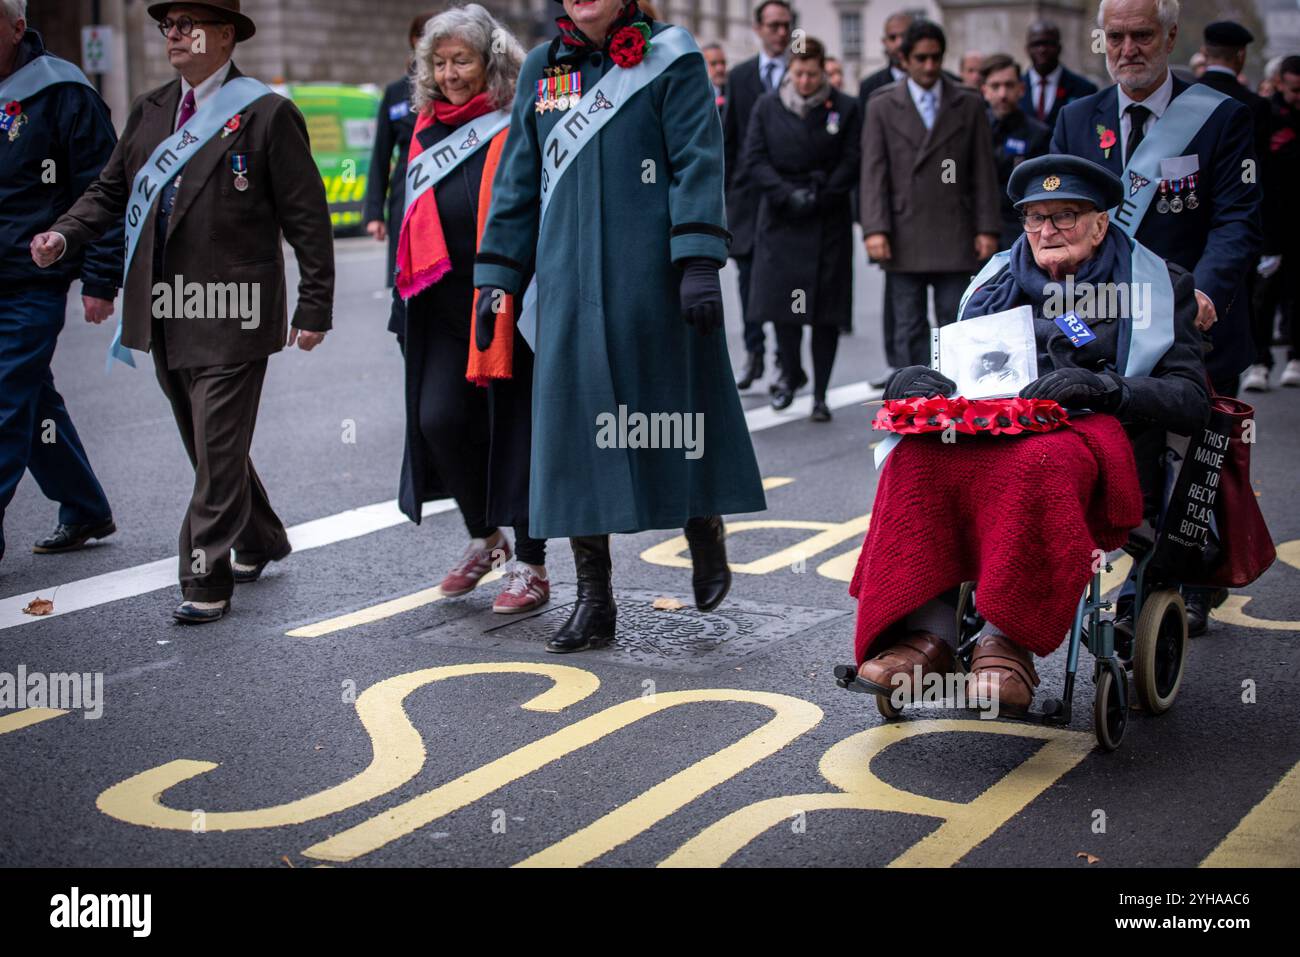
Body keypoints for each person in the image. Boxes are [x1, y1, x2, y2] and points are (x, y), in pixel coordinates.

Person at [850, 156, 1208, 714]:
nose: (1047, 231)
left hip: (1096, 433)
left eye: (1065, 216)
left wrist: (1107, 388)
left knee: (1035, 462)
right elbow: (957, 367)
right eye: (1035, 217)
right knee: (917, 455)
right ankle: (928, 634)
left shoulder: (1157, 284)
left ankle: (1004, 641)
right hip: (989, 428)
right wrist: (911, 382)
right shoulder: (993, 280)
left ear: (1100, 222)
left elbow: (1191, 401)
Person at [472, 0, 767, 653]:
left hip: (651, 280)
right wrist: (497, 278)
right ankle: (595, 601)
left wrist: (696, 259)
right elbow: (518, 178)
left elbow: (696, 157)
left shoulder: (672, 55)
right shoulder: (543, 69)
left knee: (666, 420)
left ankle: (701, 522)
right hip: (566, 284)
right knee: (575, 441)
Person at [32, 0, 334, 624]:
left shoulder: (268, 114)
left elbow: (308, 218)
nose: (173, 35)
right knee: (208, 447)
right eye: (167, 26)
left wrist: (315, 305)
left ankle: (204, 578)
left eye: (187, 24)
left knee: (217, 448)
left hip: (238, 311)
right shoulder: (150, 109)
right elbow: (110, 191)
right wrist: (65, 234)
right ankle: (260, 537)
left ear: (225, 35)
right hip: (166, 307)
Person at [1050, 0, 1262, 635]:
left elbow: (1236, 224)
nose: (1127, 49)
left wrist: (1203, 293)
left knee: (1197, 456)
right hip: (1102, 320)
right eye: (1115, 37)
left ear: (1170, 36)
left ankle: (1186, 579)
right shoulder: (1076, 119)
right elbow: (1051, 218)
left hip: (1191, 322)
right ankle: (1123, 564)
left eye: (1142, 35)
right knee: (1115, 445)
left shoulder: (1221, 117)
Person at [390, 4, 549, 613]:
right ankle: (488, 540)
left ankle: (531, 566)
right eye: (441, 62)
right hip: (441, 308)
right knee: (439, 422)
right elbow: (407, 217)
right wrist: (399, 303)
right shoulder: (424, 127)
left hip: (507, 303)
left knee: (516, 434)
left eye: (463, 60)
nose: (451, 73)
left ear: (490, 64)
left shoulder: (513, 124)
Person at [0, 0, 119, 571]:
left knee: (3, 402)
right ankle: (84, 506)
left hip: (32, 279)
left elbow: (102, 190)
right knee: (30, 397)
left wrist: (100, 276)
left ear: (17, 27)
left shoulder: (64, 91)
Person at [861, 19, 1001, 368]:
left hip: (956, 230)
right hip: (903, 229)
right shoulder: (881, 105)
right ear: (904, 59)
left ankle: (956, 394)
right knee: (908, 324)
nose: (929, 66)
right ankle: (915, 399)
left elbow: (983, 170)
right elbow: (873, 171)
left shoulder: (967, 103)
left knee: (954, 319)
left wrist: (987, 228)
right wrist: (875, 229)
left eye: (936, 58)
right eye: (921, 58)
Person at [740, 36, 861, 420]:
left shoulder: (845, 107)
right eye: (799, 74)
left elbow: (853, 157)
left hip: (827, 218)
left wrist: (824, 192)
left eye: (812, 73)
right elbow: (754, 159)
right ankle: (789, 375)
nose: (806, 81)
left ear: (823, 69)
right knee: (785, 310)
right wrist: (785, 194)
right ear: (789, 72)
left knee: (825, 314)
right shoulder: (767, 106)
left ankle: (821, 394)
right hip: (782, 219)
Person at [1194, 21, 1275, 394]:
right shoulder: (1254, 106)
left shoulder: (1189, 101)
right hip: (1234, 240)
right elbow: (1262, 181)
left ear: (1205, 52)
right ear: (1241, 56)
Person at [723, 0, 794, 391]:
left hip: (785, 199)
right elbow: (729, 140)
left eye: (786, 26)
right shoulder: (741, 77)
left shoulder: (799, 74)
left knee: (784, 286)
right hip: (749, 202)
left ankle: (786, 361)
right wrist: (729, 196)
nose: (781, 33)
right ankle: (754, 355)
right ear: (759, 29)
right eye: (773, 26)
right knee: (749, 285)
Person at [362, 10, 433, 289]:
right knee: (403, 279)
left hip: (442, 184)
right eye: (424, 36)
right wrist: (374, 213)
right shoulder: (394, 93)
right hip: (405, 190)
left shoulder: (452, 85)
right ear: (414, 41)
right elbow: (381, 154)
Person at [1257, 55, 1300, 388]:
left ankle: (1296, 358)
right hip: (1272, 221)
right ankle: (1260, 362)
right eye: (1294, 89)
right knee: (1264, 295)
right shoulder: (1265, 116)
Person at [981, 53, 1051, 250]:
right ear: (984, 90)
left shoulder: (1038, 134)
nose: (1003, 94)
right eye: (995, 86)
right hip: (977, 231)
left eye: (1009, 85)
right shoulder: (972, 128)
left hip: (1018, 229)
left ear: (1021, 89)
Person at [1021, 19, 1097, 130]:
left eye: (1048, 44)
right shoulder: (1015, 87)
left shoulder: (1084, 89)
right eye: (1036, 44)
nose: (1042, 50)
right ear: (1027, 49)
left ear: (1059, 47)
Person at [702, 41, 727, 111]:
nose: (720, 68)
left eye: (723, 63)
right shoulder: (695, 93)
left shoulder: (732, 90)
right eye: (713, 63)